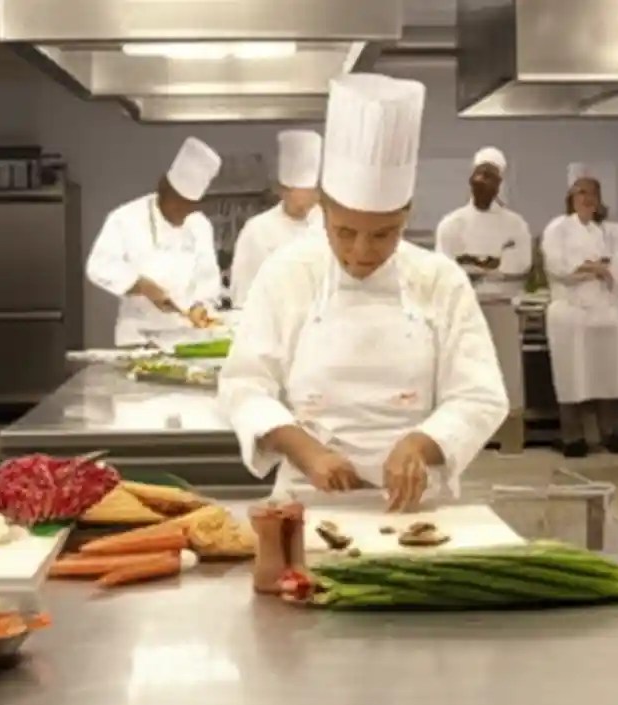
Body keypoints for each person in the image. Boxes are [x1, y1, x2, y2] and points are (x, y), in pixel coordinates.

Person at [218, 73, 509, 512]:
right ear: (324, 210)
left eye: (383, 234)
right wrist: (305, 449)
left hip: (418, 507)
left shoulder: (439, 280)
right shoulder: (287, 274)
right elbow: (245, 385)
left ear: (407, 216)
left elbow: (480, 394)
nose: (360, 252)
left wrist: (422, 443)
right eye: (345, 231)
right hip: (309, 502)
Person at [87, 138, 224, 346]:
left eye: (189, 208)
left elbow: (207, 278)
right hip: (136, 337)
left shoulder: (199, 225)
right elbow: (98, 266)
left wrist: (199, 306)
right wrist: (141, 285)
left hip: (184, 337)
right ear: (164, 192)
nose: (183, 215)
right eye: (178, 207)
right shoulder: (125, 218)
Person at [541, 171, 618, 458]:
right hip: (571, 314)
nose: (586, 198)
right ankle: (573, 436)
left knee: (607, 374)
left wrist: (600, 270)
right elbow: (558, 267)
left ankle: (611, 431)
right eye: (580, 192)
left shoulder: (613, 232)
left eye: (591, 193)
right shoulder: (558, 228)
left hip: (607, 314)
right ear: (571, 199)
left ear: (599, 201)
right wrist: (594, 269)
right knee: (573, 376)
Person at [229, 130, 323, 307]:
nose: (307, 200)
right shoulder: (258, 229)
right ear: (282, 190)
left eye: (311, 192)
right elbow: (244, 291)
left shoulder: (328, 226)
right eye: (297, 192)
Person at [434, 146, 532, 300]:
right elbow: (445, 267)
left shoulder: (516, 224)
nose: (482, 181)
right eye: (479, 174)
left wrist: (470, 262)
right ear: (471, 180)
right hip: (462, 302)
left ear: (499, 184)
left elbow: (521, 264)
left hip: (504, 302)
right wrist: (491, 265)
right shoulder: (452, 223)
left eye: (489, 176)